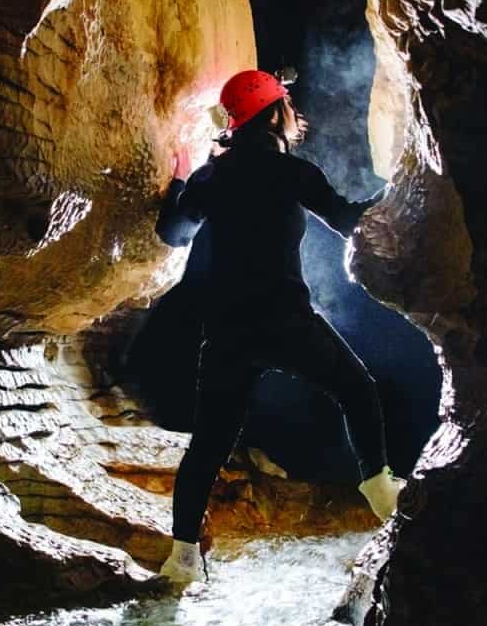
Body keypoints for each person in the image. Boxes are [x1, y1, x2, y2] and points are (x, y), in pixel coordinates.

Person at [152, 68, 404, 584]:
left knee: (208, 445)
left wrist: (180, 176)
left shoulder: (212, 177)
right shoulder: (294, 173)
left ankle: (181, 561)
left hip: (228, 331)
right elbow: (348, 219)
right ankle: (379, 489)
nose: (293, 112)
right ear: (272, 114)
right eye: (286, 104)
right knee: (357, 388)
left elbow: (174, 232)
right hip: (286, 320)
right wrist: (402, 197)